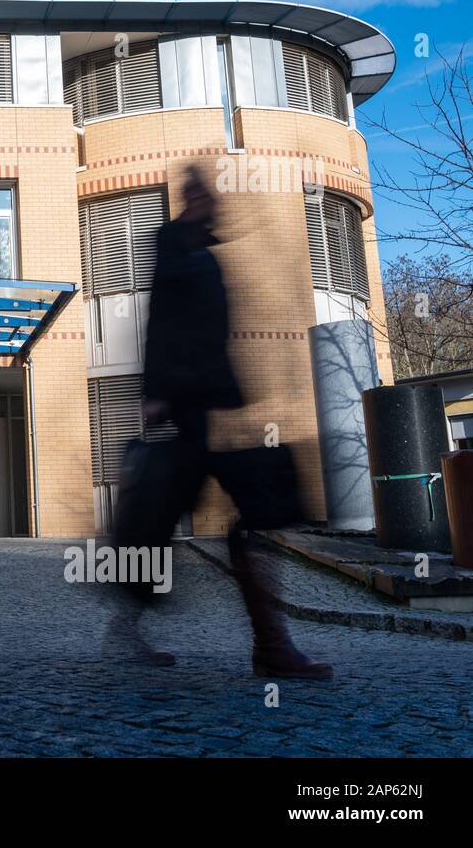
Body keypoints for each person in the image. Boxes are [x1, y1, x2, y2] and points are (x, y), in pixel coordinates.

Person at [104, 166, 333, 680]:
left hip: (211, 407)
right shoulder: (174, 246)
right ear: (189, 199)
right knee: (236, 511)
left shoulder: (201, 251)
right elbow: (161, 317)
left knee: (186, 517)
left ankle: (262, 644)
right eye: (205, 194)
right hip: (190, 406)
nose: (217, 203)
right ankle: (270, 645)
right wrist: (155, 393)